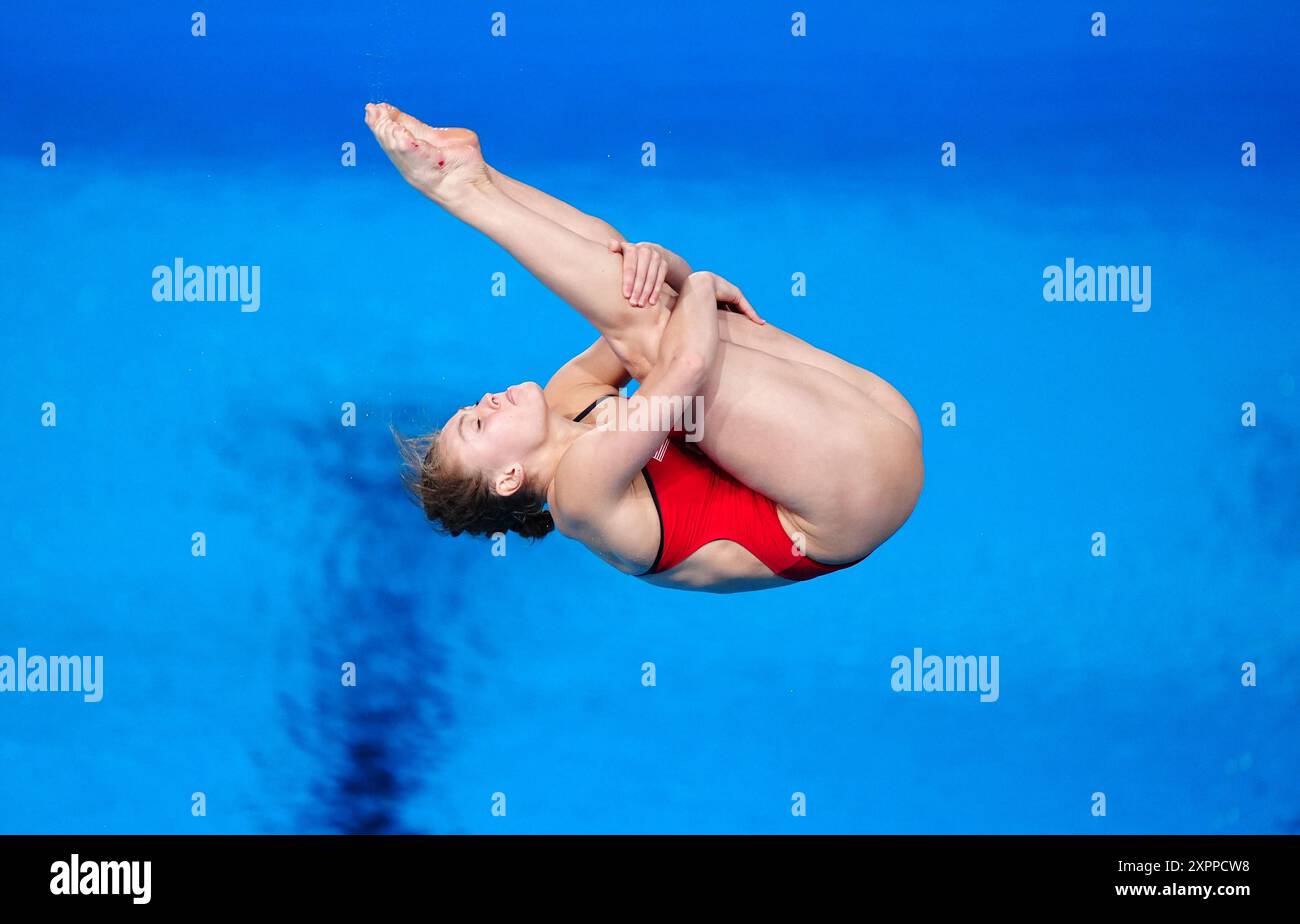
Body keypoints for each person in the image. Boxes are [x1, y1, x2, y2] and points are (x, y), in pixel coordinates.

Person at [367, 103, 923, 593]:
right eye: (479, 426)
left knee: (637, 296)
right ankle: (456, 188)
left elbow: (634, 292)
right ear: (509, 478)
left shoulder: (571, 398)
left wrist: (670, 268)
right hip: (854, 496)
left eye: (471, 409)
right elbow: (685, 366)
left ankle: (479, 172)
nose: (485, 400)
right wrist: (698, 282)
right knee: (652, 335)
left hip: (875, 419)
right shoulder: (577, 499)